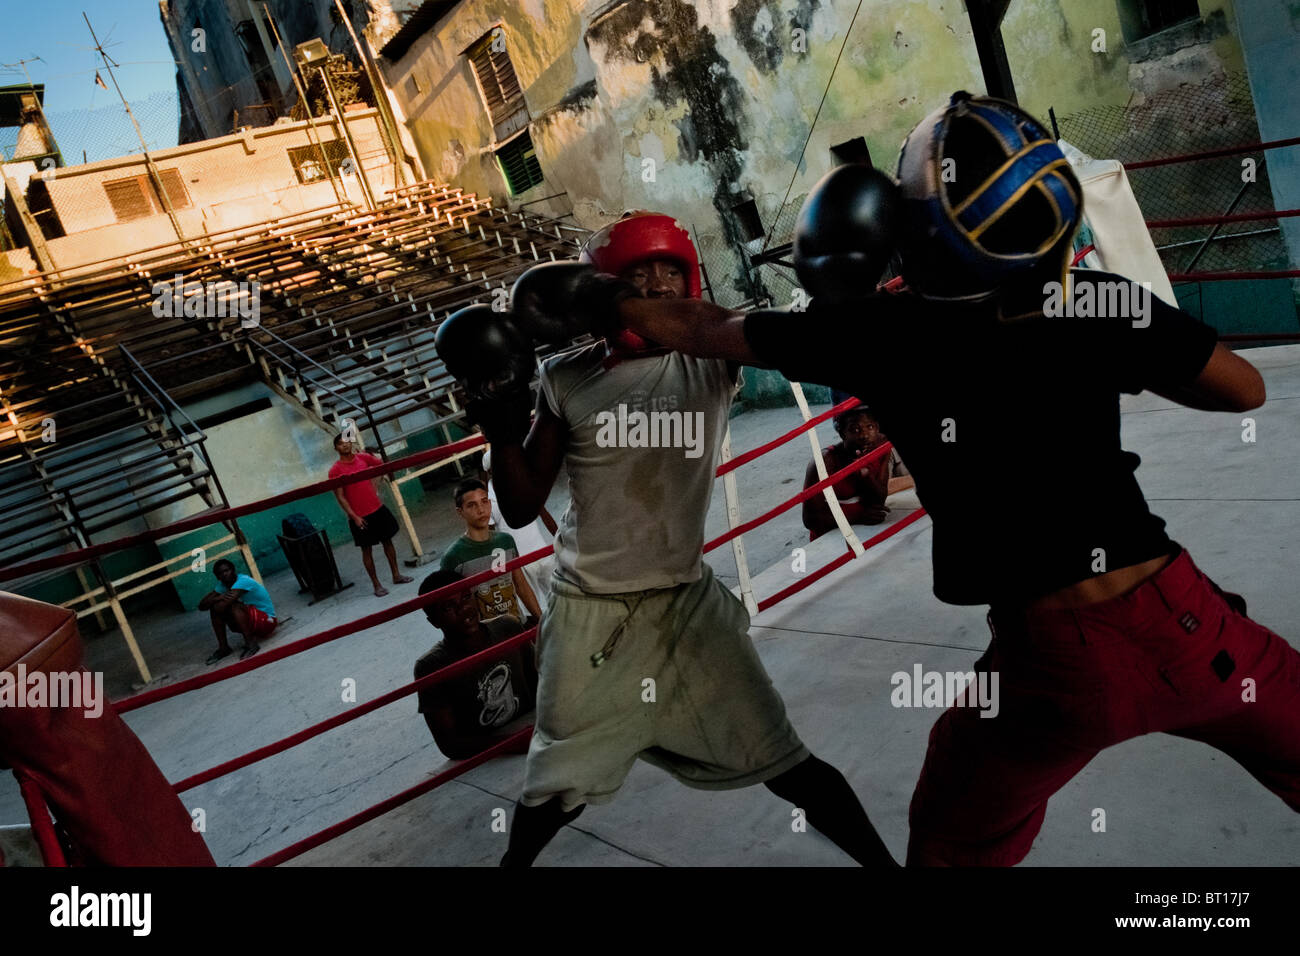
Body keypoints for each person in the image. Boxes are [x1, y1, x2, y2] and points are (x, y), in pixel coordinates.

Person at [531, 93, 1297, 867]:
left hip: (1053, 665)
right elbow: (1243, 388)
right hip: (1188, 622)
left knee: (951, 846)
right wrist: (1116, 342)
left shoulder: (876, 334)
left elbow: (702, 327)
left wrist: (609, 296)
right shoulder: (1091, 299)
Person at [439, 211, 897, 868]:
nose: (655, 288)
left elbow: (725, 330)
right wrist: (500, 420)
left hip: (686, 605)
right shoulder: (568, 377)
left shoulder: (709, 359)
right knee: (555, 789)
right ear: (600, 289)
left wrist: (612, 299)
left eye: (668, 273)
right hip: (590, 611)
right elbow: (519, 501)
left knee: (785, 760)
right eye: (637, 276)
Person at [413, 570, 537, 760]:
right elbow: (450, 745)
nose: (464, 609)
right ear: (434, 621)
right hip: (495, 756)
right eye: (448, 607)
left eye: (466, 597)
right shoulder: (431, 666)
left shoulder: (507, 627)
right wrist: (513, 743)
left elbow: (541, 686)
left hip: (534, 731)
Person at [440, 478, 543, 626]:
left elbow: (521, 586)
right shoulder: (454, 556)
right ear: (460, 512)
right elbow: (449, 606)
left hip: (516, 624)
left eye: (484, 501)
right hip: (485, 635)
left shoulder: (506, 541)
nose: (481, 510)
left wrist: (541, 620)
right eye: (471, 505)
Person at [803, 404, 913, 541]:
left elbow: (879, 500)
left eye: (870, 427)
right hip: (831, 534)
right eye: (855, 430)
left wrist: (865, 473)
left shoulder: (881, 446)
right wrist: (857, 517)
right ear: (842, 433)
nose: (864, 435)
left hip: (866, 528)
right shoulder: (825, 461)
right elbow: (810, 519)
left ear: (877, 428)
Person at [328, 433, 414, 597]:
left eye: (346, 442)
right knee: (366, 550)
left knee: (388, 542)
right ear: (336, 448)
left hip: (377, 509)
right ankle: (377, 585)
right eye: (340, 444)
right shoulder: (335, 470)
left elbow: (380, 465)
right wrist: (354, 517)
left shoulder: (362, 458)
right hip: (359, 516)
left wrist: (376, 484)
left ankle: (396, 575)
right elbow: (340, 496)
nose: (344, 445)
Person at [481, 446, 557, 611]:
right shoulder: (488, 501)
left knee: (560, 599)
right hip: (520, 563)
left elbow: (543, 512)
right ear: (490, 471)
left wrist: (559, 538)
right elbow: (491, 537)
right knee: (533, 608)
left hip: (542, 552)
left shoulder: (522, 486)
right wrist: (500, 569)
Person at [197, 558, 276, 663]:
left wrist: (216, 601)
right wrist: (217, 598)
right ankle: (224, 648)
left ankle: (251, 643)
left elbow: (220, 607)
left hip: (267, 621)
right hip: (252, 622)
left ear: (233, 570)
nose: (224, 574)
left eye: (227, 570)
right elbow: (201, 606)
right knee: (216, 609)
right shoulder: (222, 585)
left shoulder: (243, 581)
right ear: (217, 577)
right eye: (220, 573)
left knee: (233, 606)